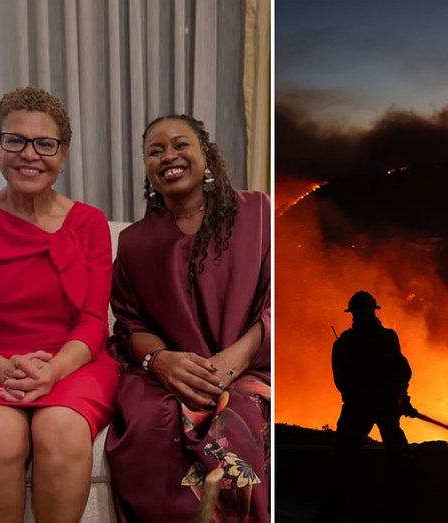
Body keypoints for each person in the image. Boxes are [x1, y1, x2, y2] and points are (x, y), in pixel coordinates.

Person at [0, 86, 118, 522]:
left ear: (62, 152)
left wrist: (52, 371)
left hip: (73, 360)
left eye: (44, 144)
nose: (29, 155)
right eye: (15, 140)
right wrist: (1, 368)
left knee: (62, 430)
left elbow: (92, 322)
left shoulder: (88, 223)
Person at [104, 114, 271, 522]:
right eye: (154, 151)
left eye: (181, 145)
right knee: (150, 427)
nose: (169, 157)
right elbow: (128, 325)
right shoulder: (134, 242)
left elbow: (275, 302)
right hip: (167, 372)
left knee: (235, 427)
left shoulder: (257, 214)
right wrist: (163, 362)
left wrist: (228, 365)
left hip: (248, 364)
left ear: (205, 154)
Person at [321, 290, 416, 521]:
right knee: (398, 455)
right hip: (381, 406)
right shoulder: (387, 337)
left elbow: (341, 380)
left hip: (358, 408)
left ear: (352, 314)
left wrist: (397, 398)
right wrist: (400, 399)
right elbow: (402, 373)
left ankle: (334, 511)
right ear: (375, 311)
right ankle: (404, 507)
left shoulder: (344, 342)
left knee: (343, 458)